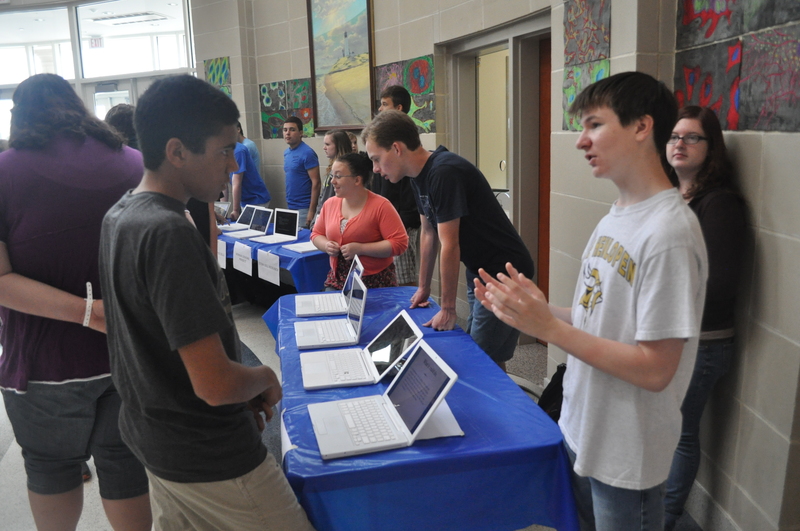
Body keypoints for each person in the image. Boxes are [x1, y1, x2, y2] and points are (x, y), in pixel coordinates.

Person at [474, 72, 708, 531]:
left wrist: (550, 329)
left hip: (627, 452)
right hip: (583, 429)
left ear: (642, 126)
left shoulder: (669, 233)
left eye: (594, 125)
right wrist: (535, 310)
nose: (581, 141)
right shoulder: (617, 214)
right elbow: (595, 318)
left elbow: (656, 368)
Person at [98, 75, 314, 531]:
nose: (232, 163)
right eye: (223, 150)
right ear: (177, 152)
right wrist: (262, 378)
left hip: (154, 436)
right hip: (208, 453)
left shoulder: (120, 214)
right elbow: (214, 384)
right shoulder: (168, 232)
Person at [0, 73, 151, 531]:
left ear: (18, 116)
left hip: (47, 362)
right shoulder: (135, 163)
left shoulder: (5, 173)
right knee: (126, 463)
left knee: (51, 465)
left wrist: (87, 313)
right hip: (134, 353)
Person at [362, 110, 534, 370]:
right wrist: (423, 288)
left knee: (481, 358)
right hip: (480, 267)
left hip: (505, 271)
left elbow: (450, 244)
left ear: (396, 148)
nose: (375, 169)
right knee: (484, 351)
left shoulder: (444, 172)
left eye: (376, 159)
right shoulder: (417, 176)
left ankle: (495, 406)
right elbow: (428, 233)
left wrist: (449, 308)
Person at [662, 106, 747, 530]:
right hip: (673, 337)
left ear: (711, 148)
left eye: (691, 137)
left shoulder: (720, 204)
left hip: (703, 342)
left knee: (680, 434)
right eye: (675, 136)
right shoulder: (673, 197)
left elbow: (719, 284)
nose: (679, 143)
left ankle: (665, 518)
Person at [311, 152, 408, 290]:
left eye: (338, 176)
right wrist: (326, 245)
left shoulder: (381, 206)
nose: (332, 181)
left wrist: (361, 249)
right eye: (332, 176)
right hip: (338, 279)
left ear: (357, 180)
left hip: (375, 282)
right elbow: (316, 234)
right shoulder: (330, 204)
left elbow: (400, 243)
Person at [374, 85, 422, 286]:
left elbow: (406, 192)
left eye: (385, 105)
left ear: (399, 108)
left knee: (404, 282)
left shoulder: (404, 144)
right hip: (388, 221)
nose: (380, 109)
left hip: (402, 223)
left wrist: (398, 222)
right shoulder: (385, 139)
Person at [283, 116, 320, 228]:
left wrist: (311, 211)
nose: (288, 133)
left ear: (300, 133)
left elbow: (316, 183)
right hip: (291, 206)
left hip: (304, 208)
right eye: (285, 130)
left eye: (292, 130)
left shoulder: (307, 153)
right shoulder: (286, 153)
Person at [312, 129, 352, 226]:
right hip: (323, 216)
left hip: (334, 219)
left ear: (338, 146)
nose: (324, 148)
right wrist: (316, 218)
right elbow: (323, 197)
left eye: (328, 144)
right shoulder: (331, 167)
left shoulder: (348, 169)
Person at [227, 137, 270, 221]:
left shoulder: (238, 150)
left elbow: (237, 183)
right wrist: (223, 209)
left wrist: (235, 210)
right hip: (244, 199)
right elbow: (223, 182)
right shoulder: (221, 152)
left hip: (256, 199)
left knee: (254, 232)